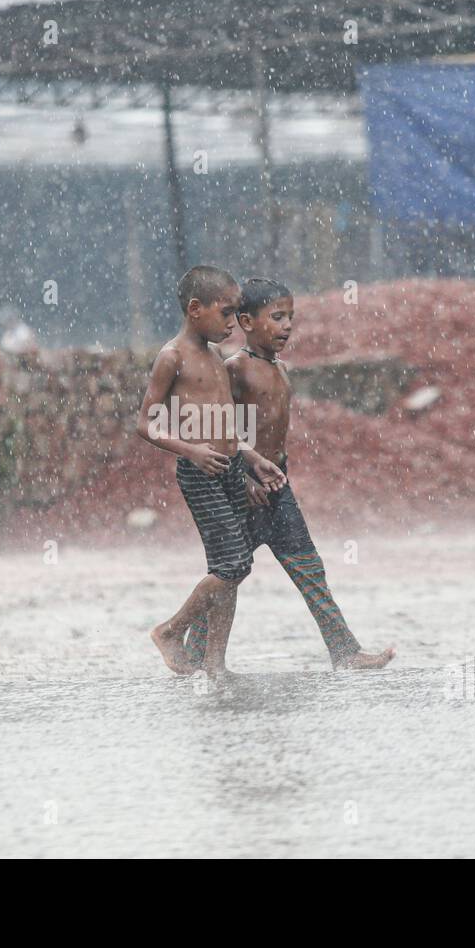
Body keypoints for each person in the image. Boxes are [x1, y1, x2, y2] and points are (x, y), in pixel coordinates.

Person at [181, 279, 397, 670]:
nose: (287, 326)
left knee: (309, 567)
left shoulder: (279, 368)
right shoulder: (234, 369)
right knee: (228, 575)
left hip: (277, 484)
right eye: (277, 317)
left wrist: (274, 470)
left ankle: (345, 652)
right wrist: (243, 477)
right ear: (246, 321)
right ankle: (195, 652)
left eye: (290, 318)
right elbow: (219, 429)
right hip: (244, 488)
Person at [136, 266, 286, 681]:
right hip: (199, 474)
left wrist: (251, 461)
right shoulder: (172, 357)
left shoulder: (217, 357)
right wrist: (191, 451)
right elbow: (145, 424)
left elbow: (227, 426)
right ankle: (170, 631)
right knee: (233, 564)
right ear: (195, 309)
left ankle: (215, 664)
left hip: (231, 470)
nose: (232, 324)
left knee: (230, 570)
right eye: (226, 314)